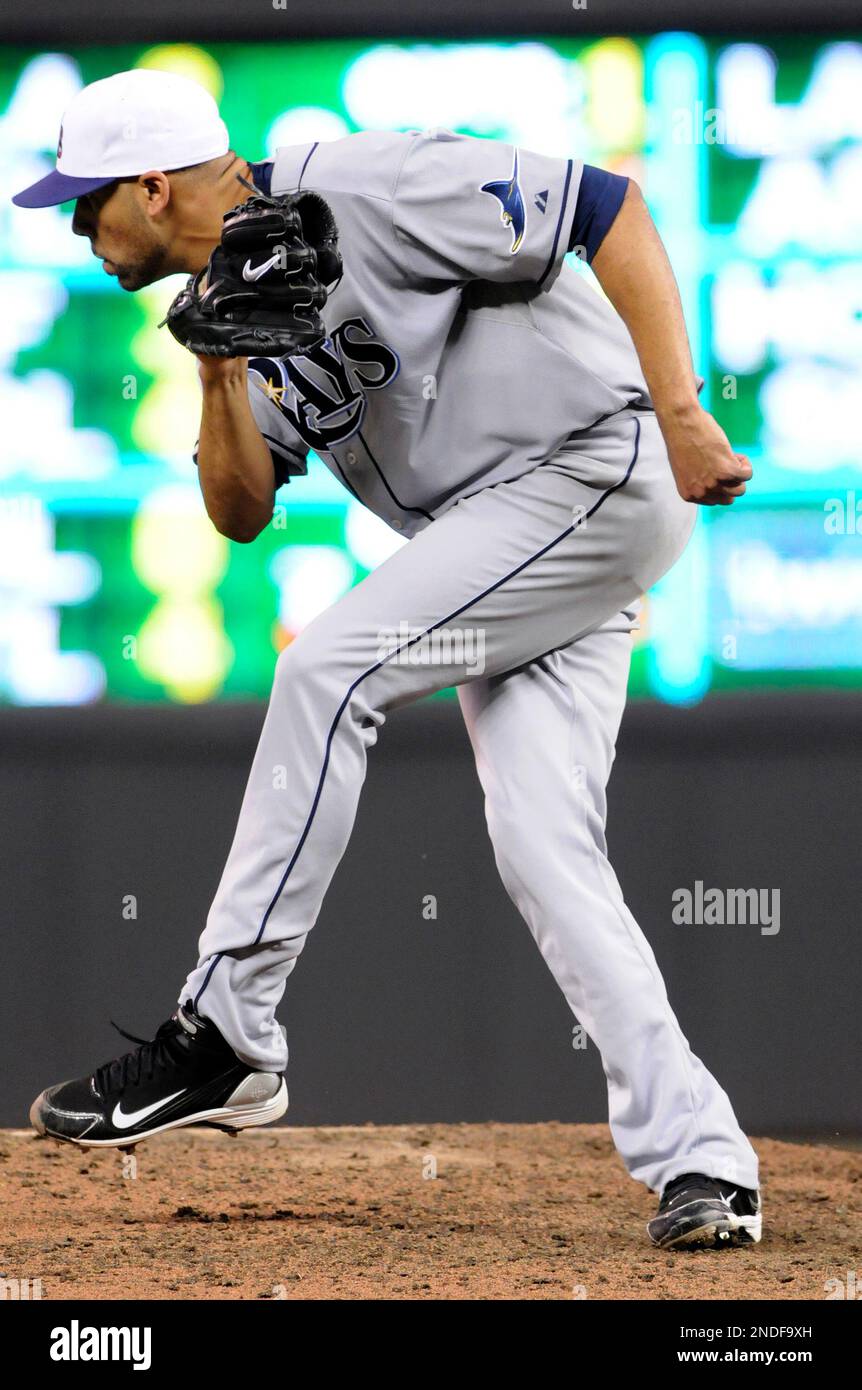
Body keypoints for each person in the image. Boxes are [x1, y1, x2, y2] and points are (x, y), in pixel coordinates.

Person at [13, 68, 761, 1250]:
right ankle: (705, 1163)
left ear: (152, 185)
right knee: (544, 848)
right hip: (508, 542)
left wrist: (680, 410)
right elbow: (241, 512)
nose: (72, 227)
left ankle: (227, 1036)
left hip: (596, 470)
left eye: (83, 201)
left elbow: (606, 203)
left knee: (330, 670)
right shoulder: (225, 294)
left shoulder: (362, 182)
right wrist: (215, 367)